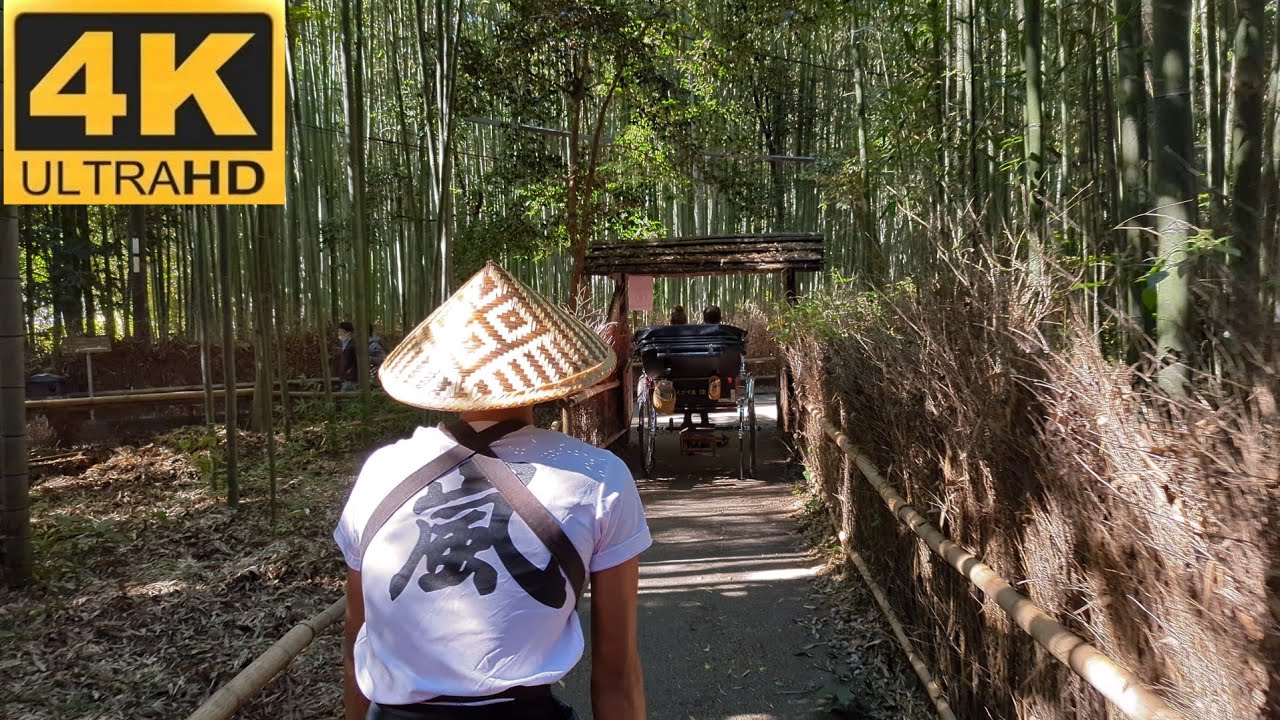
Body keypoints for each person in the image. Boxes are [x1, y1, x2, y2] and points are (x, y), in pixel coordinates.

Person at [335, 261, 650, 720]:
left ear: (442, 373)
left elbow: (357, 649)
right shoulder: (600, 478)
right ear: (550, 372)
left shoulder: (380, 471)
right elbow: (617, 676)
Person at [337, 321, 358, 391]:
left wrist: (349, 371)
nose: (339, 334)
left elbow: (357, 362)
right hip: (345, 378)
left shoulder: (353, 346)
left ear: (349, 333)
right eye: (339, 332)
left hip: (351, 379)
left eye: (341, 332)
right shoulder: (343, 345)